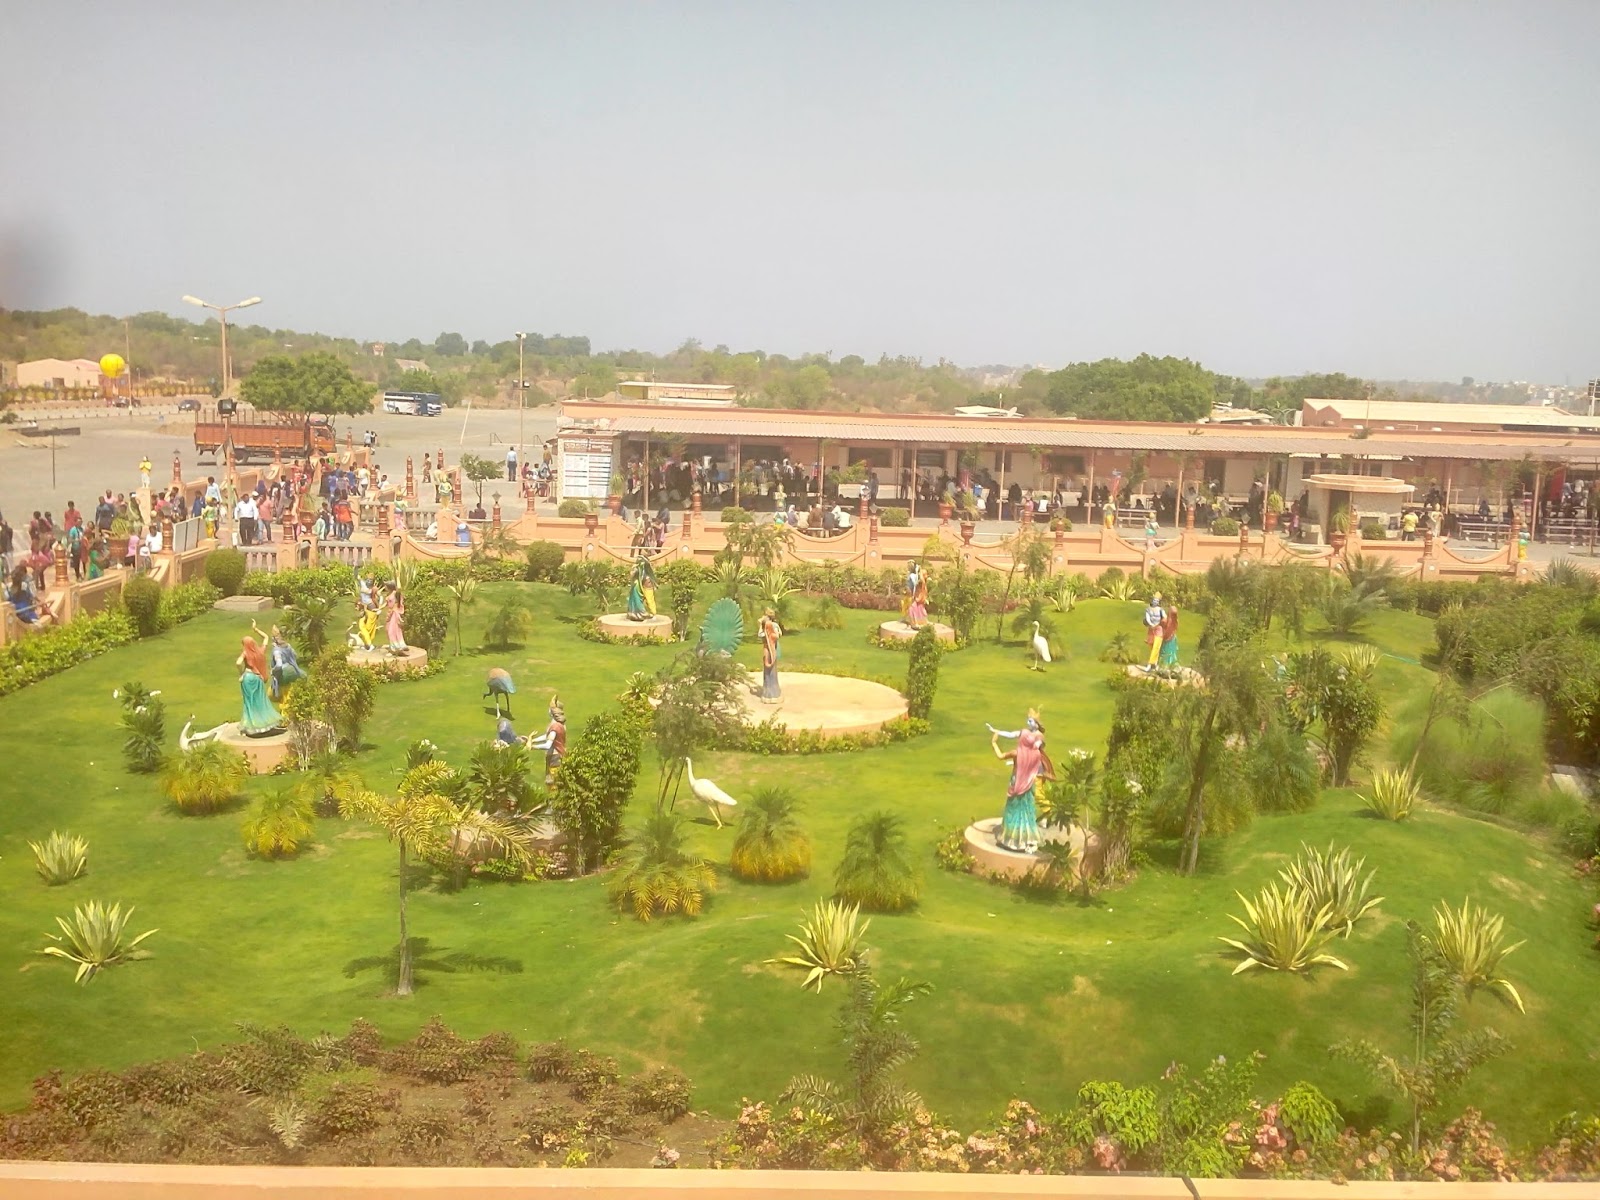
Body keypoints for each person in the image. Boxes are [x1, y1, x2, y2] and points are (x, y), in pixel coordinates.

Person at [987, 712, 1052, 853]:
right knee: (1027, 809)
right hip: (1028, 783)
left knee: (1013, 808)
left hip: (1017, 782)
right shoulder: (1035, 756)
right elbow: (1013, 735)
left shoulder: (1016, 753)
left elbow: (1001, 754)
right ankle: (1027, 838)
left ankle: (1012, 838)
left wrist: (994, 741)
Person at [237, 630, 284, 736]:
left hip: (248, 677)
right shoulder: (260, 652)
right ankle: (264, 723)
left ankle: (250, 725)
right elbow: (266, 638)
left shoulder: (245, 653)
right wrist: (256, 629)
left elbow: (238, 662)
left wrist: (241, 674)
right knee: (260, 700)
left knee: (249, 702)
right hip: (258, 679)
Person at [258, 622, 306, 700]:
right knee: (290, 693)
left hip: (284, 675)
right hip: (293, 671)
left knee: (279, 694)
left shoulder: (277, 651)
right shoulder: (288, 646)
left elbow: (279, 665)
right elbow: (295, 655)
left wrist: (273, 671)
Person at [530, 697, 567, 787]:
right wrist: (533, 740)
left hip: (555, 758)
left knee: (553, 783)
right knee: (551, 782)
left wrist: (533, 747)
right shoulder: (558, 725)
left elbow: (548, 745)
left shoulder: (555, 727)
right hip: (554, 757)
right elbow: (548, 737)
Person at [758, 607, 782, 701]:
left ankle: (774, 691)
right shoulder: (764, 626)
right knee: (767, 668)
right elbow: (760, 634)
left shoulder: (774, 625)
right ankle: (767, 692)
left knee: (772, 669)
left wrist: (771, 635)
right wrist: (764, 631)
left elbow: (779, 634)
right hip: (766, 648)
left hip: (772, 648)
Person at [625, 553, 657, 620]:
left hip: (644, 584)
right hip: (636, 586)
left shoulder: (646, 573)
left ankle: (646, 613)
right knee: (634, 598)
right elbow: (631, 576)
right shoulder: (637, 569)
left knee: (648, 599)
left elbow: (649, 597)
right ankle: (634, 612)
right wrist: (633, 569)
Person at [1142, 592, 1166, 671]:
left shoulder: (1161, 610)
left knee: (1156, 647)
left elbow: (1165, 618)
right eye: (1154, 600)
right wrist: (1151, 624)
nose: (1155, 601)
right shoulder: (1148, 609)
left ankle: (1149, 664)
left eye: (1157, 600)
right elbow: (1147, 617)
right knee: (1152, 646)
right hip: (1151, 629)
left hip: (1159, 630)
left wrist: (1159, 623)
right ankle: (1155, 663)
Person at [384, 585, 409, 655]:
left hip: (395, 614)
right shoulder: (389, 594)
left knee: (391, 631)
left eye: (386, 586)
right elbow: (386, 603)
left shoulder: (395, 593)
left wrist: (398, 577)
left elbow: (399, 589)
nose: (385, 588)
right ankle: (399, 645)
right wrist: (378, 608)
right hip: (390, 613)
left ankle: (395, 647)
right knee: (389, 629)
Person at [1158, 603, 1181, 669]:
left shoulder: (1172, 621)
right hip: (1169, 638)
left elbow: (1174, 611)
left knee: (1168, 652)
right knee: (1167, 652)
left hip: (1169, 638)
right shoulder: (1170, 620)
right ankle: (1166, 664)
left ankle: (1166, 665)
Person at [907, 561, 929, 628]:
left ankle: (923, 622)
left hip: (920, 599)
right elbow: (915, 584)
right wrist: (918, 573)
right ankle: (914, 623)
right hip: (915, 598)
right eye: (925, 574)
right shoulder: (917, 580)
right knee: (913, 608)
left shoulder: (923, 582)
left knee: (920, 609)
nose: (926, 576)